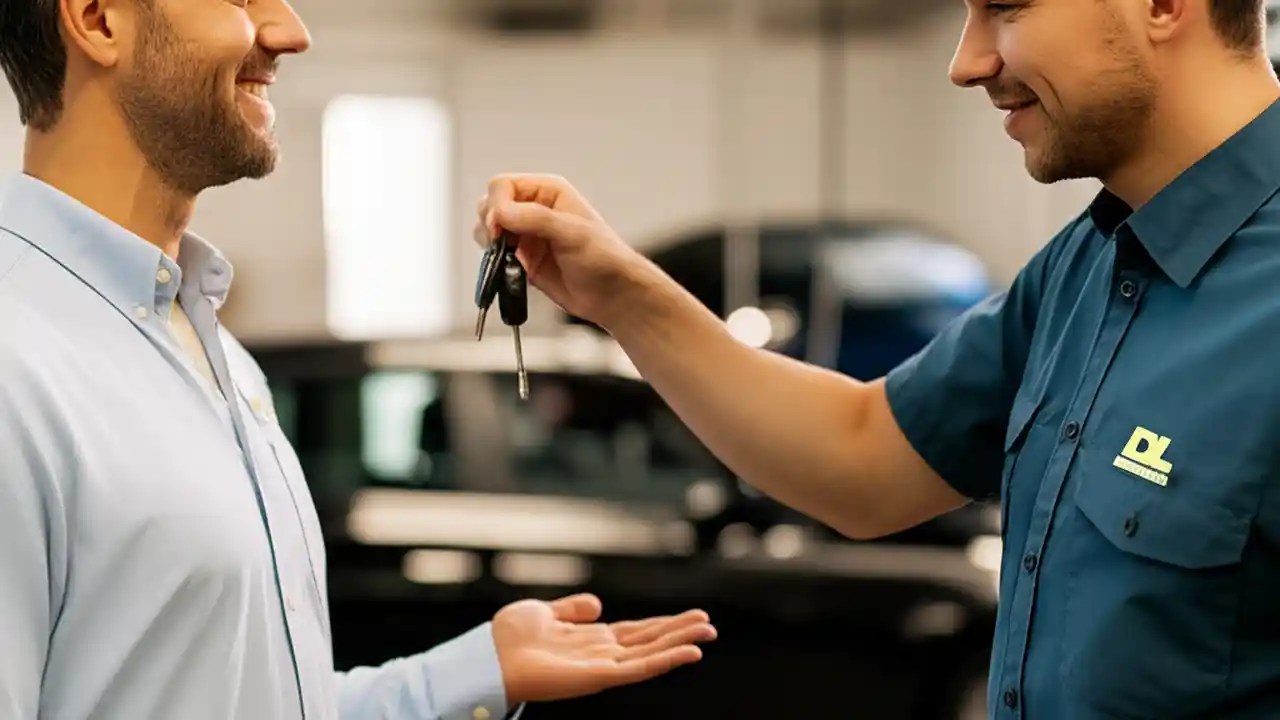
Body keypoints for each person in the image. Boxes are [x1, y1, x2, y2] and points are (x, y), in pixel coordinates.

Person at [474, 0, 1280, 717]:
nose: (968, 62)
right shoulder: (1087, 269)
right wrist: (620, 293)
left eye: (1006, 8)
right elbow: (864, 456)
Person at [0, 1, 718, 719]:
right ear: (97, 19)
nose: (290, 31)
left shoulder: (215, 353)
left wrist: (463, 676)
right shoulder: (17, 362)